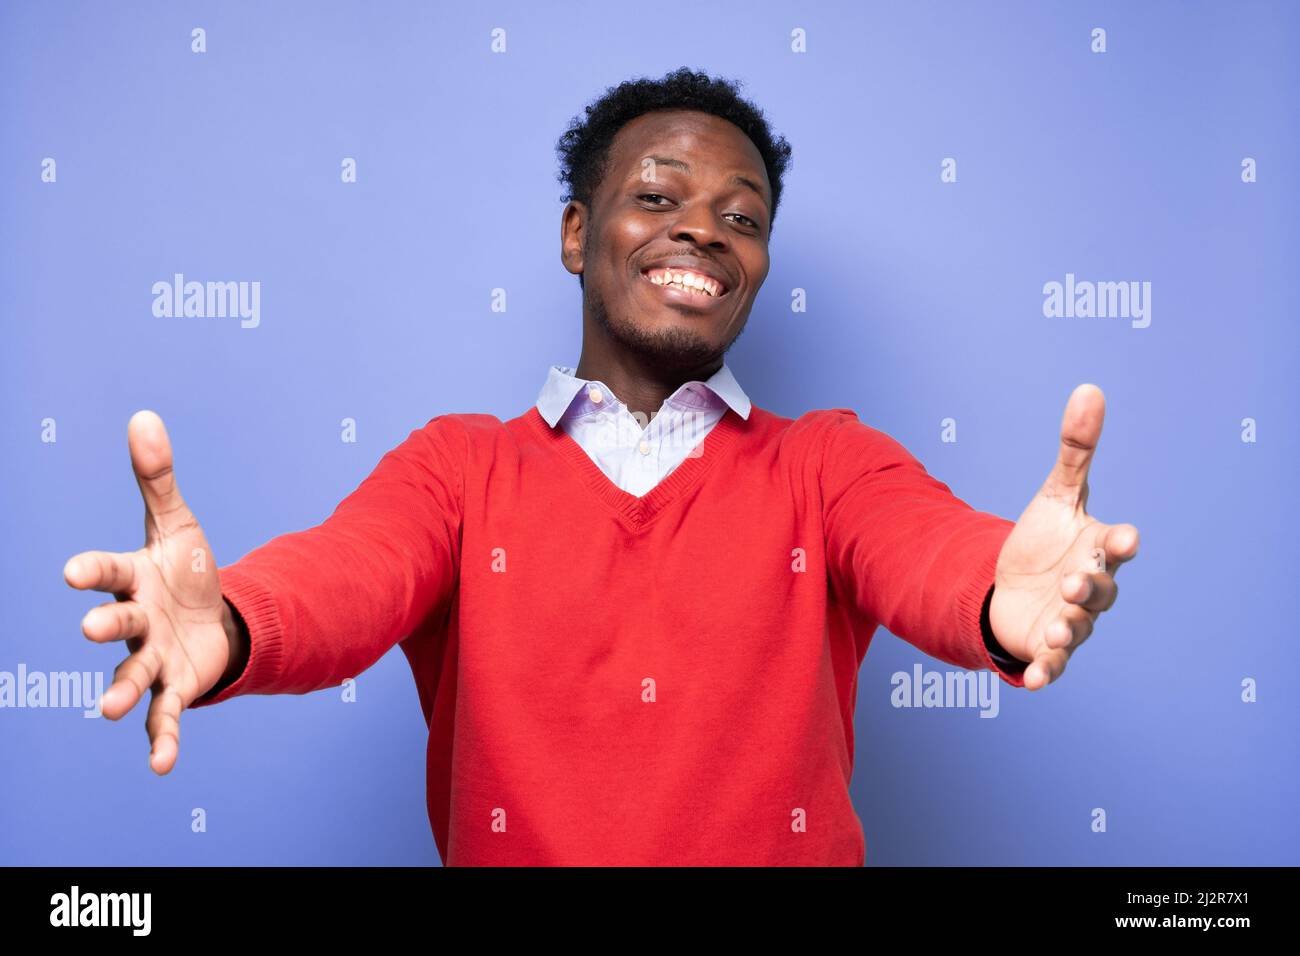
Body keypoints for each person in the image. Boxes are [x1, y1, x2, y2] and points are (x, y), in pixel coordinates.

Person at [63, 67, 1139, 865]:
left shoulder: (824, 465)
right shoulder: (460, 469)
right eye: (660, 197)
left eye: (742, 217)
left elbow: (929, 552)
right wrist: (236, 621)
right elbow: (347, 576)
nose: (704, 232)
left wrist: (1000, 597)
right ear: (578, 233)